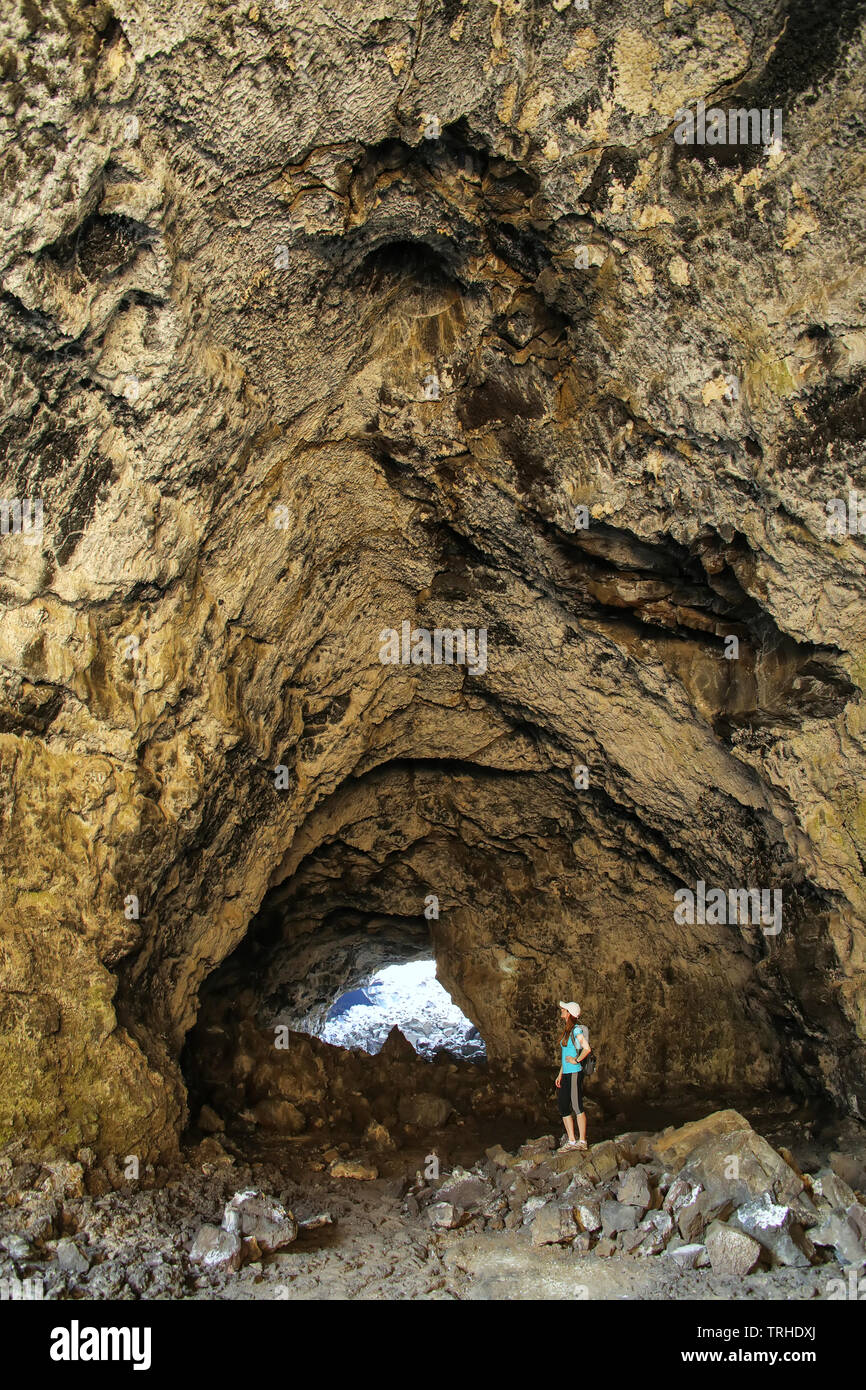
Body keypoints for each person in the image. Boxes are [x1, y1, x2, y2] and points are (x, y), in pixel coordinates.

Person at [554, 1000, 590, 1150]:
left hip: (575, 1073)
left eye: (564, 1009)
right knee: (563, 1106)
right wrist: (560, 1074)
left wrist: (576, 1060)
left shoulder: (576, 1030)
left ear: (569, 1014)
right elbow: (565, 1055)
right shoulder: (567, 1030)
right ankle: (571, 1141)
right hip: (567, 1073)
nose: (562, 1010)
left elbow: (587, 1049)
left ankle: (582, 1142)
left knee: (576, 1105)